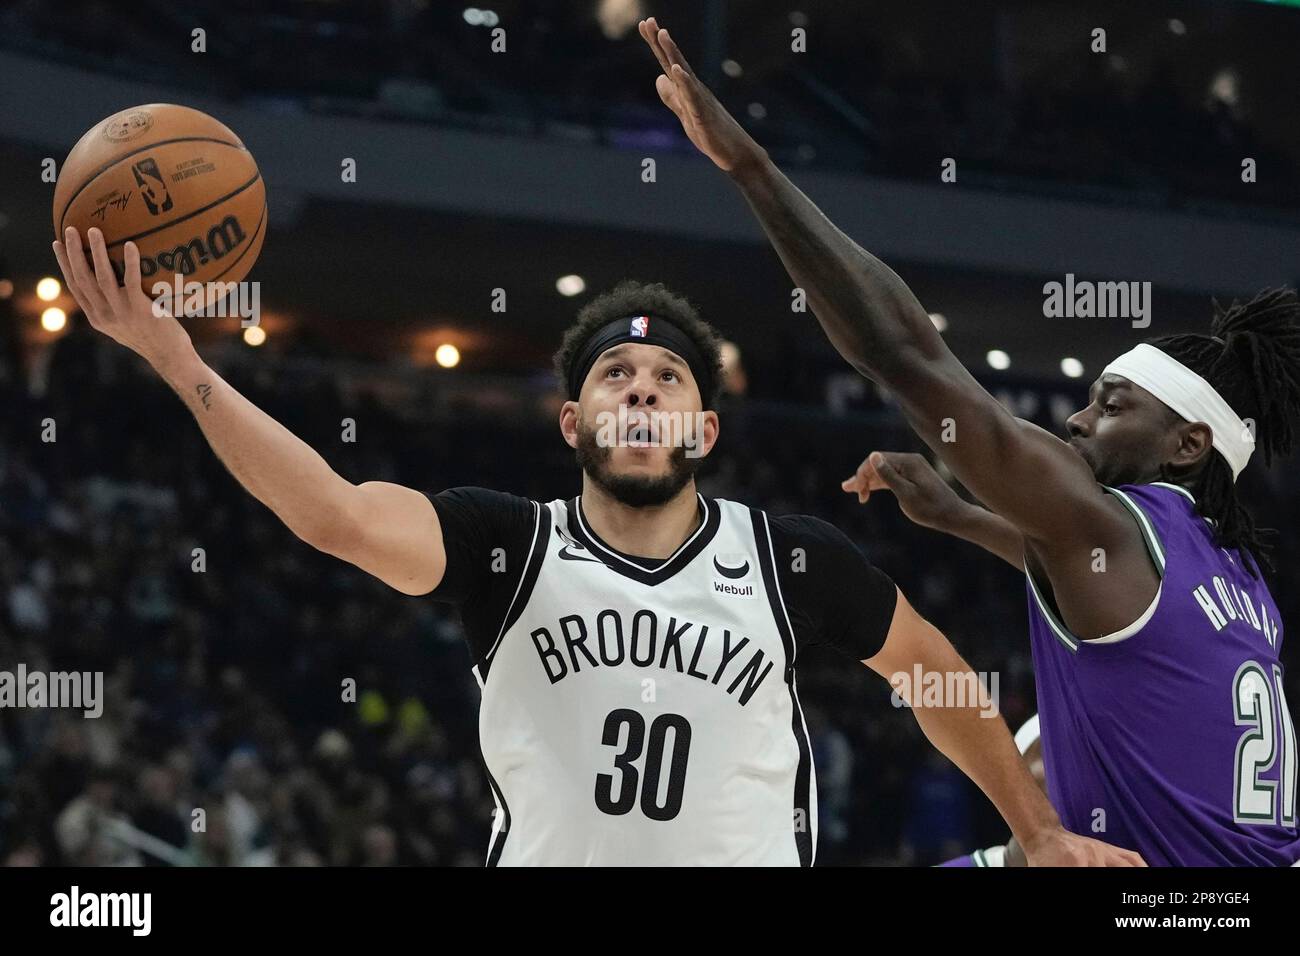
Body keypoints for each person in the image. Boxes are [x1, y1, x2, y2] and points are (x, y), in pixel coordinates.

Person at [50, 230, 1139, 868]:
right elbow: (333, 512)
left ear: (703, 430)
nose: (641, 391)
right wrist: (178, 365)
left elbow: (932, 670)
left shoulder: (788, 557)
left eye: (667, 380)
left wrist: (1035, 826)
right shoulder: (505, 542)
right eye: (615, 380)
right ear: (572, 423)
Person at [637, 16, 1300, 865]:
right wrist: (957, 516)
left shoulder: (1103, 526)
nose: (1077, 420)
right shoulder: (1241, 576)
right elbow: (1100, 585)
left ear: (1186, 445)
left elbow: (905, 354)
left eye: (1111, 404)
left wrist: (753, 169)